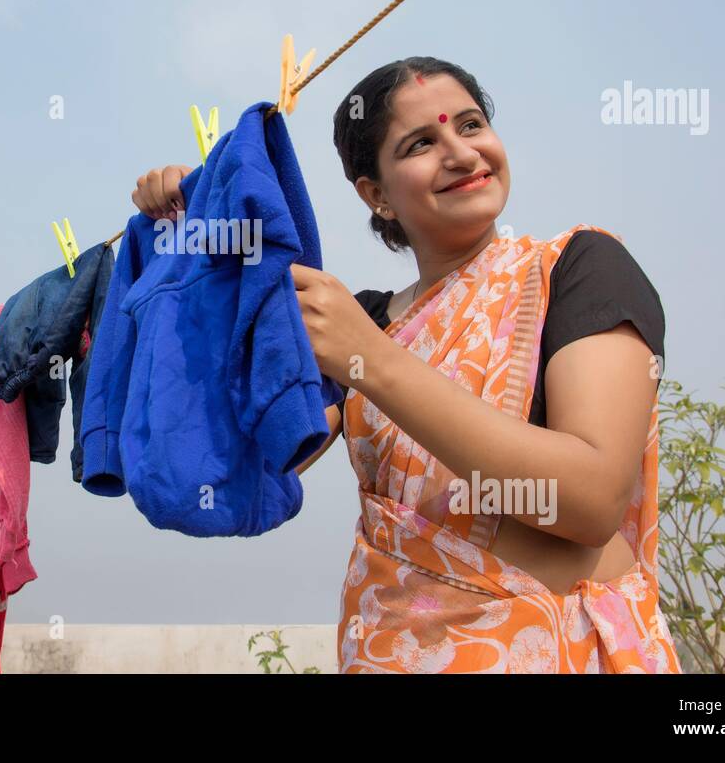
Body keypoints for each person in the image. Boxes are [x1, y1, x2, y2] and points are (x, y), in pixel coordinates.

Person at [130, 57, 682, 673]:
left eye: (470, 126)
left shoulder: (576, 268)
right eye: (421, 142)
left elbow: (590, 503)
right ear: (376, 195)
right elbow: (239, 466)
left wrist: (372, 361)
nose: (460, 153)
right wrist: (202, 222)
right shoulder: (360, 319)